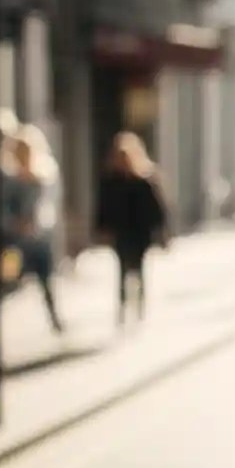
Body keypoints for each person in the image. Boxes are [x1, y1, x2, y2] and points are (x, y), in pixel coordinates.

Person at [95, 132, 168, 326]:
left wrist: (161, 233)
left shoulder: (145, 181)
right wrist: (102, 229)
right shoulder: (110, 181)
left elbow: (157, 209)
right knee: (122, 270)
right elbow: (103, 207)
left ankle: (140, 306)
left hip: (140, 232)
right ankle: (122, 308)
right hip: (121, 232)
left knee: (139, 268)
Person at [1, 123, 65, 333]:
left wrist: (36, 224)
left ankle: (55, 319)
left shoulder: (43, 178)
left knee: (46, 280)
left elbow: (49, 207)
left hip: (39, 239)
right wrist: (15, 224)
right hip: (15, 242)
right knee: (5, 281)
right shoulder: (10, 181)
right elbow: (4, 210)